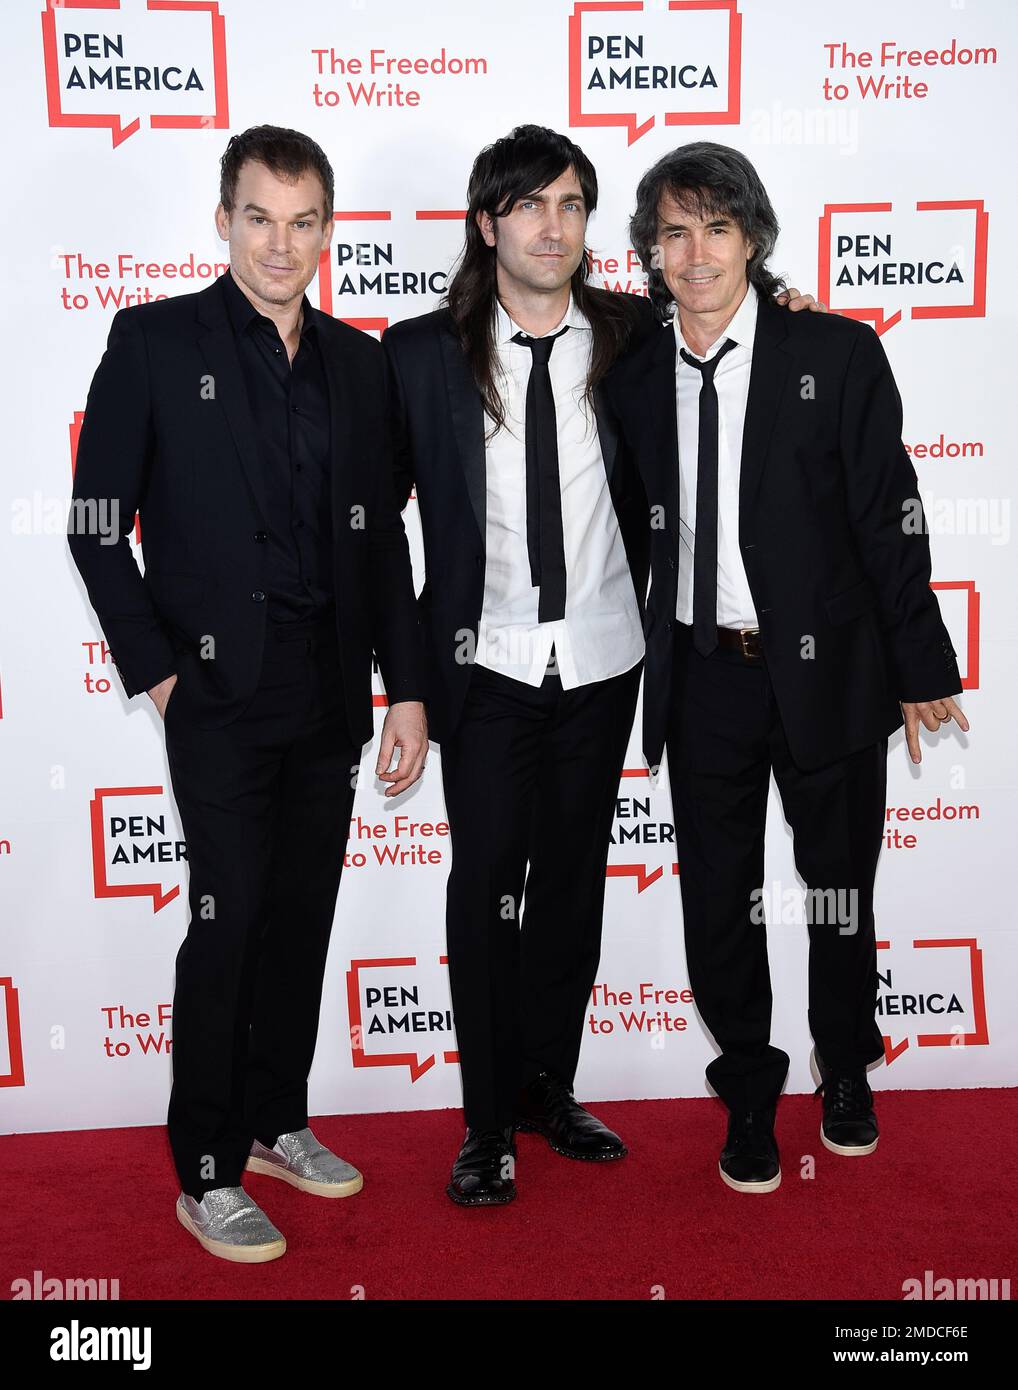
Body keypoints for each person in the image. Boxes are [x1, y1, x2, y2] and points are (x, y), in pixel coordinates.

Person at [383, 125, 819, 1206]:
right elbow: (371, 532)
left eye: (571, 204)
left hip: (605, 658)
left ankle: (546, 1088)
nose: (552, 226)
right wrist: (407, 683)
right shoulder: (414, 354)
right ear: (487, 224)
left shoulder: (635, 332)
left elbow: (744, 337)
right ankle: (485, 1123)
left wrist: (798, 322)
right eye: (528, 205)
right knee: (486, 890)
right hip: (480, 665)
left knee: (572, 891)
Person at [68, 125, 428, 1260]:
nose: (283, 242)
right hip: (216, 696)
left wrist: (405, 690)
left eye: (305, 219)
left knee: (298, 921)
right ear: (223, 219)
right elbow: (93, 526)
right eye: (260, 216)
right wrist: (162, 675)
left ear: (329, 228)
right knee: (225, 926)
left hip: (328, 695)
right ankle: (207, 1166)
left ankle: (276, 1118)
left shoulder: (359, 365)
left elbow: (381, 548)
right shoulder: (155, 341)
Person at [606, 141, 969, 1194]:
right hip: (702, 673)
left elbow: (887, 520)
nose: (697, 251)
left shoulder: (837, 352)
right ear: (652, 251)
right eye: (674, 231)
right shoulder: (632, 372)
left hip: (831, 675)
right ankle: (751, 1092)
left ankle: (845, 1067)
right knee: (718, 899)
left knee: (837, 891)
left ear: (755, 237)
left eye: (717, 226)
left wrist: (915, 663)